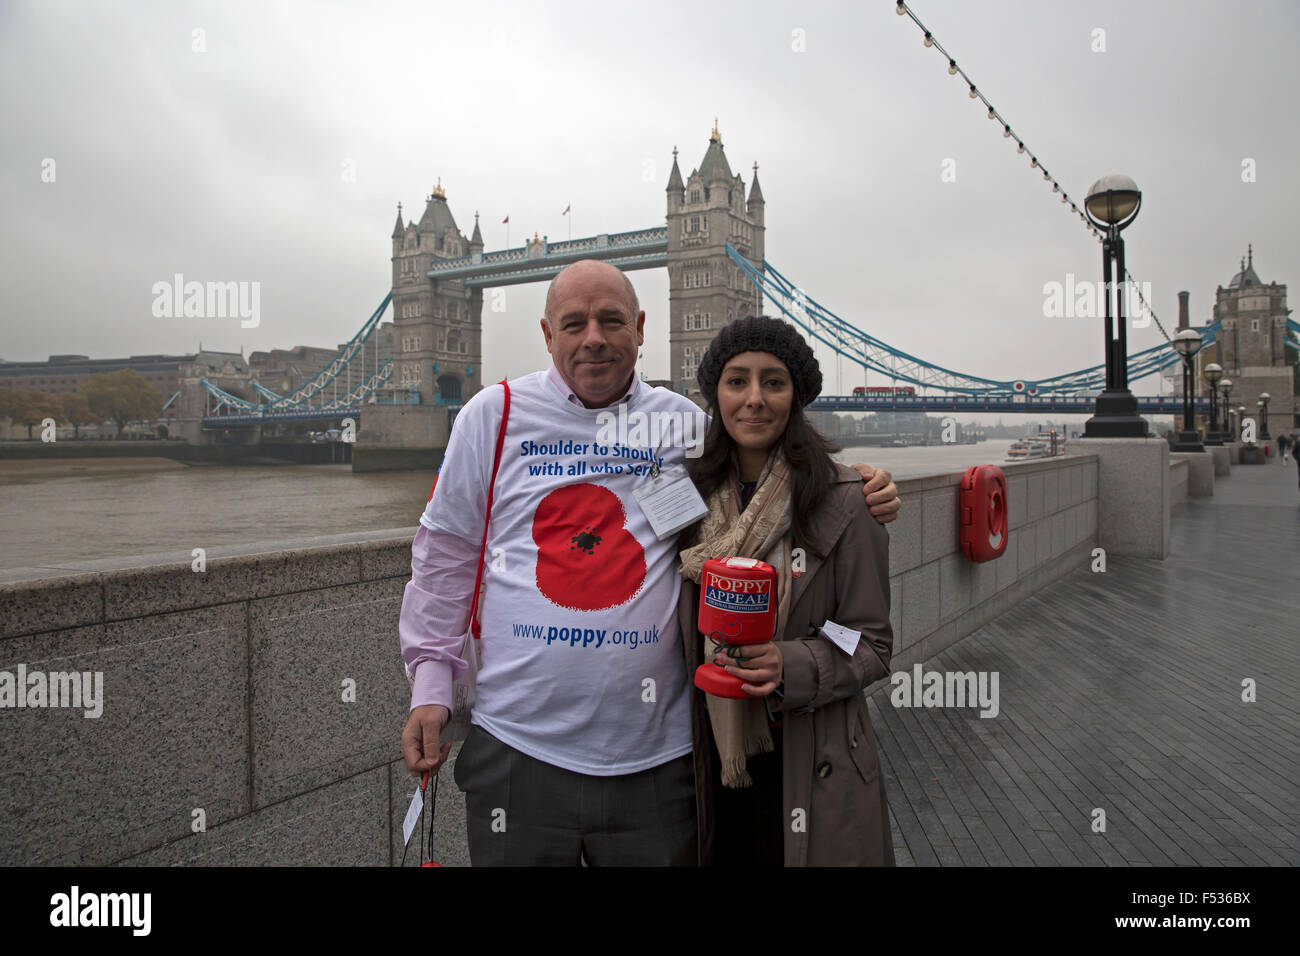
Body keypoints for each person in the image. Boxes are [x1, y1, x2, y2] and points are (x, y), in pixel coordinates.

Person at [398, 260, 901, 866]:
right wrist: (431, 686)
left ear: (639, 329)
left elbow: (770, 460)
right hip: (516, 753)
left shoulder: (685, 427)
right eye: (574, 323)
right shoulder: (492, 416)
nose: (594, 338)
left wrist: (863, 484)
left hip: (658, 766)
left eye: (612, 320)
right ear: (546, 333)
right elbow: (443, 560)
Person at [676, 315, 894, 866]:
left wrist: (791, 665)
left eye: (773, 382)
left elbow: (868, 641)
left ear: (796, 397)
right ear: (715, 395)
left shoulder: (847, 501)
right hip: (708, 757)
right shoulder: (686, 501)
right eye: (736, 381)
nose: (754, 399)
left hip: (806, 758)